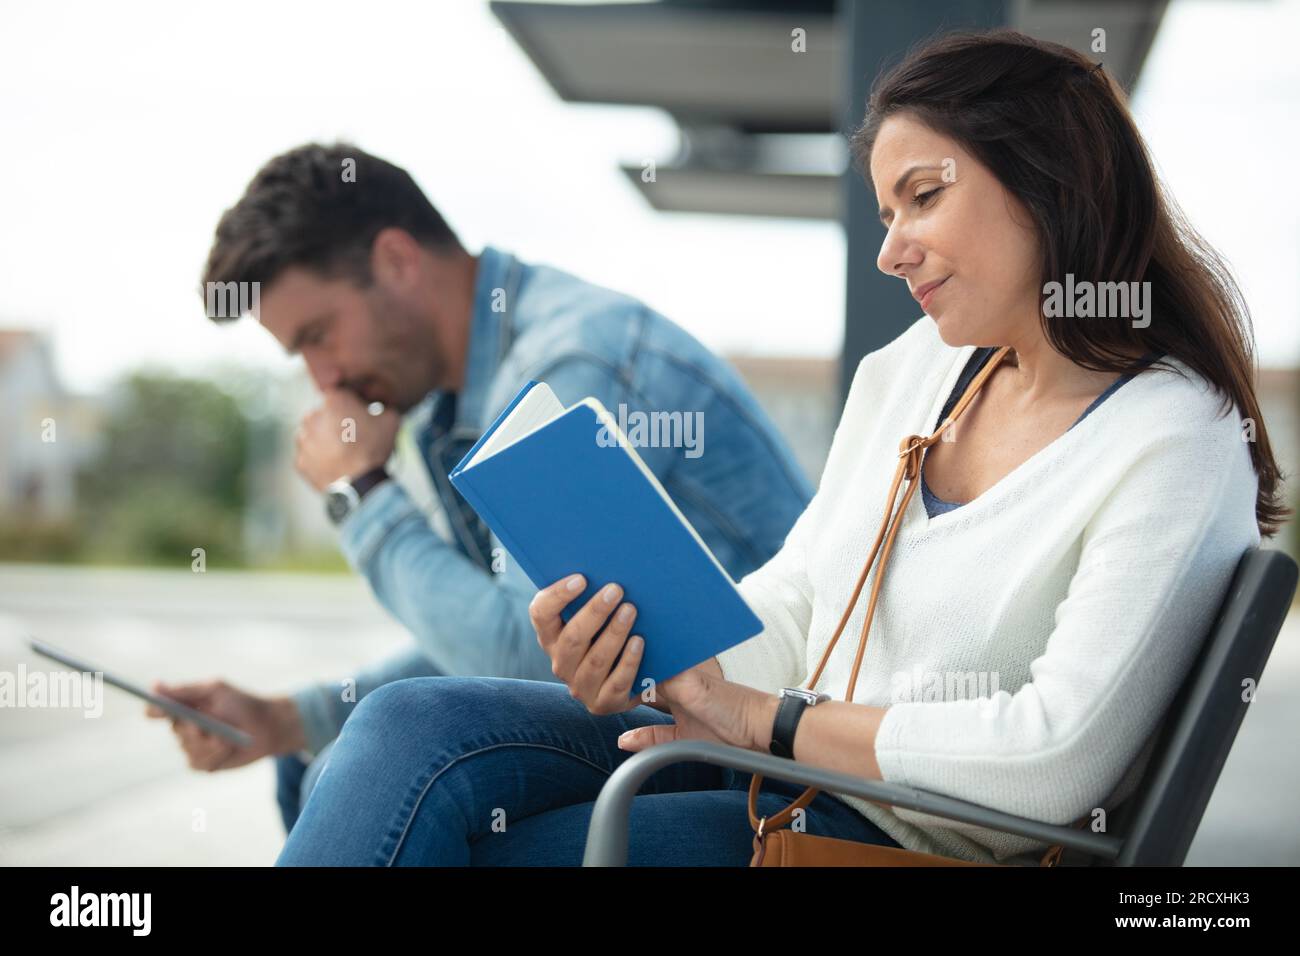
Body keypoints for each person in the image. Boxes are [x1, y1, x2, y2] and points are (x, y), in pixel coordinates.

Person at [275, 29, 1288, 866]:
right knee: (403, 727)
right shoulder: (914, 371)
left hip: (895, 837)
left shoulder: (1175, 439)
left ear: (1050, 178)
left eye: (923, 198)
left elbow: (1055, 753)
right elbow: (800, 594)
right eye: (886, 213)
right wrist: (653, 658)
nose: (892, 248)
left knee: (478, 850)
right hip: (783, 774)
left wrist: (770, 720)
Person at [144, 143, 814, 834]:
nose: (323, 378)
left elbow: (524, 663)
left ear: (398, 261)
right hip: (658, 717)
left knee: (366, 761)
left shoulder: (569, 365)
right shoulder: (456, 404)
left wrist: (360, 491)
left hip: (759, 745)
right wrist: (288, 718)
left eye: (319, 335)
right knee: (310, 754)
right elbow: (499, 633)